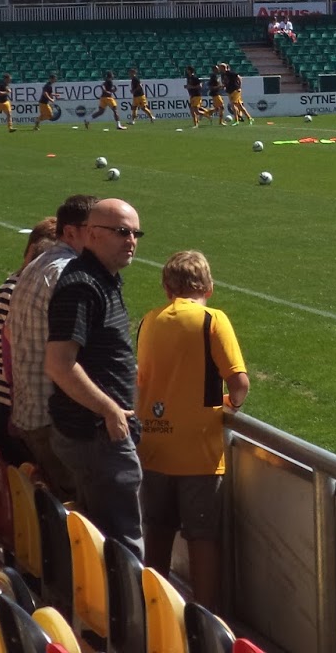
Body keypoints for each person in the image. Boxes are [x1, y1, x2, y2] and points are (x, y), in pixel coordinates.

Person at [136, 250, 248, 605]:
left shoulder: (149, 320)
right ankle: (205, 619)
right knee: (202, 537)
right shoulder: (211, 320)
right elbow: (239, 381)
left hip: (153, 443)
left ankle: (155, 611)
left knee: (157, 531)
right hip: (197, 449)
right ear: (209, 287)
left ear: (167, 288)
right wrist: (232, 405)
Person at [45, 197, 147, 558]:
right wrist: (109, 409)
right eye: (121, 232)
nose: (131, 240)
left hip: (100, 433)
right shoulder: (81, 286)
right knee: (123, 546)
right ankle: (131, 613)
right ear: (91, 234)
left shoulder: (103, 280)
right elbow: (59, 363)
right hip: (98, 436)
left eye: (136, 233)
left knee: (100, 541)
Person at [4, 194, 95, 498]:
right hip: (55, 418)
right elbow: (74, 357)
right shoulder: (67, 274)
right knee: (82, 516)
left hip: (31, 411)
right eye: (94, 229)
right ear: (71, 232)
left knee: (57, 510)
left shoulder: (36, 266)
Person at [0, 218, 58, 466]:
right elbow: (13, 355)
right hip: (6, 400)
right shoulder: (20, 290)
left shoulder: (15, 286)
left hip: (0, 396)